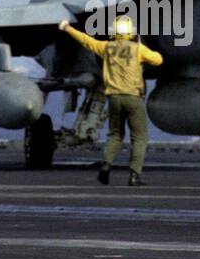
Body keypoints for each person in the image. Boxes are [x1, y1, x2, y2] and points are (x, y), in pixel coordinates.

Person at [59, 15, 163, 185]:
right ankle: (134, 175)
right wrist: (140, 44)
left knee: (115, 134)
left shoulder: (107, 47)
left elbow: (87, 41)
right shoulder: (138, 49)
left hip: (114, 98)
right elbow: (158, 60)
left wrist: (68, 28)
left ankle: (106, 166)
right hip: (133, 98)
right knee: (139, 137)